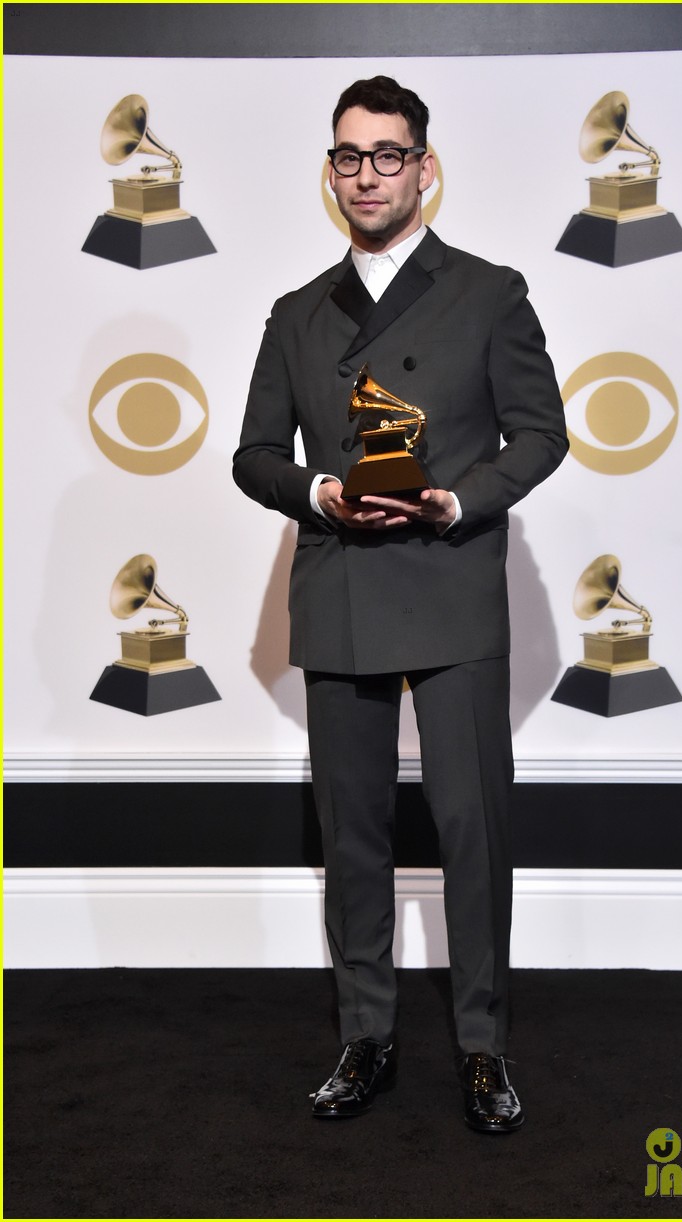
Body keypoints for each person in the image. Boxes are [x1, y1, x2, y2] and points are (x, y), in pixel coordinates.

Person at [233, 76, 568, 1133]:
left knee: (472, 826)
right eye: (347, 155)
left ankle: (481, 1046)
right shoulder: (294, 313)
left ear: (424, 168)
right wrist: (319, 492)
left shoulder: (489, 291)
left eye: (386, 155)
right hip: (339, 585)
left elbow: (541, 433)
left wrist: (460, 498)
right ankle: (366, 1034)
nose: (365, 174)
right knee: (355, 834)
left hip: (452, 579)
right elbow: (251, 455)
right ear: (328, 172)